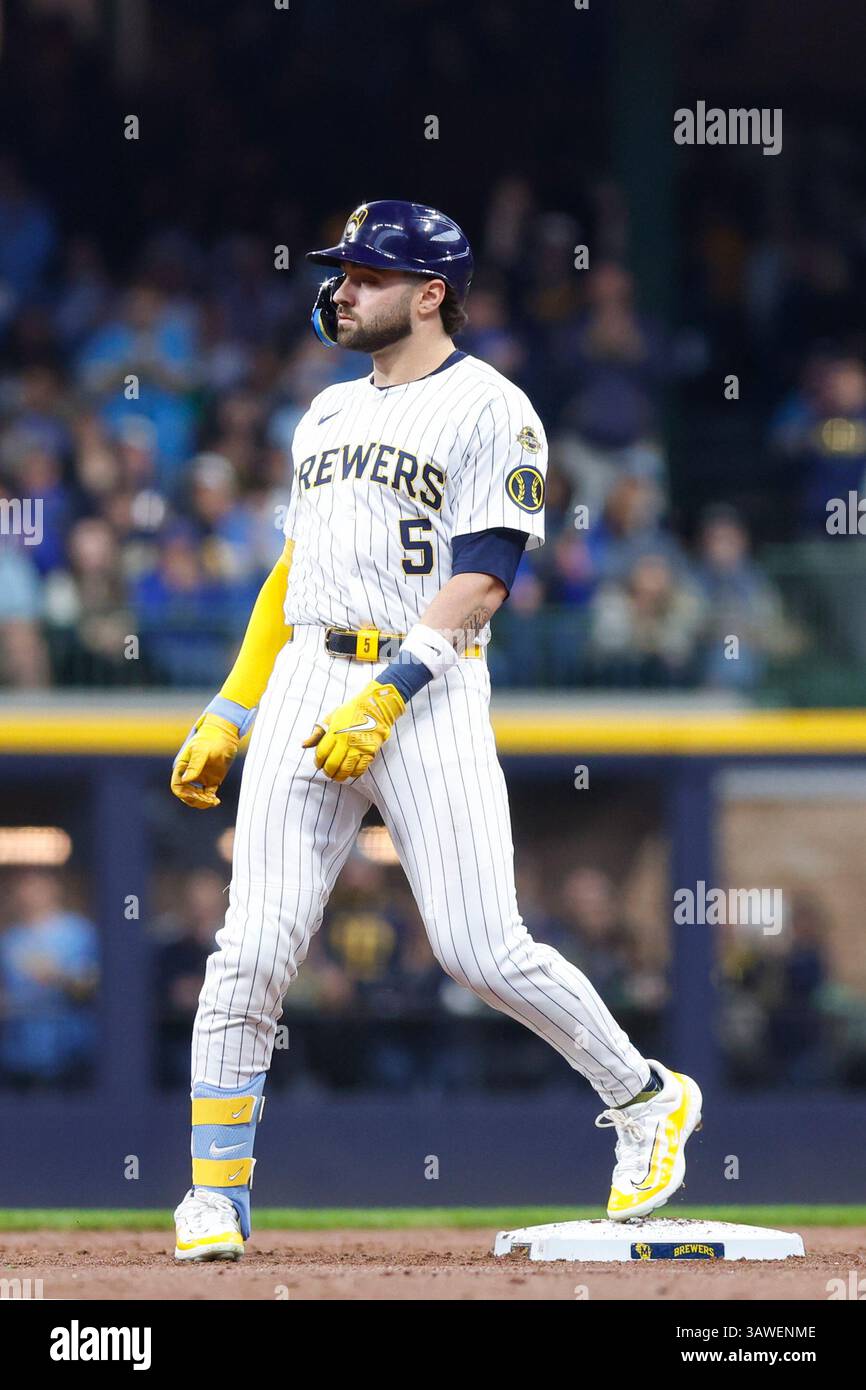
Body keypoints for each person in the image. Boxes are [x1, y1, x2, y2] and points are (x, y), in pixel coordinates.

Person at [169, 200, 702, 1262]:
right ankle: (215, 1196)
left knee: (477, 947)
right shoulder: (319, 414)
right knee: (249, 949)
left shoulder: (492, 407)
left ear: (429, 294)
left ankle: (643, 1094)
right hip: (309, 676)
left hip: (429, 683)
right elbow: (290, 573)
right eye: (342, 272)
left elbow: (486, 574)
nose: (342, 289)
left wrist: (394, 687)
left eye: (366, 274)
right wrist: (234, 702)